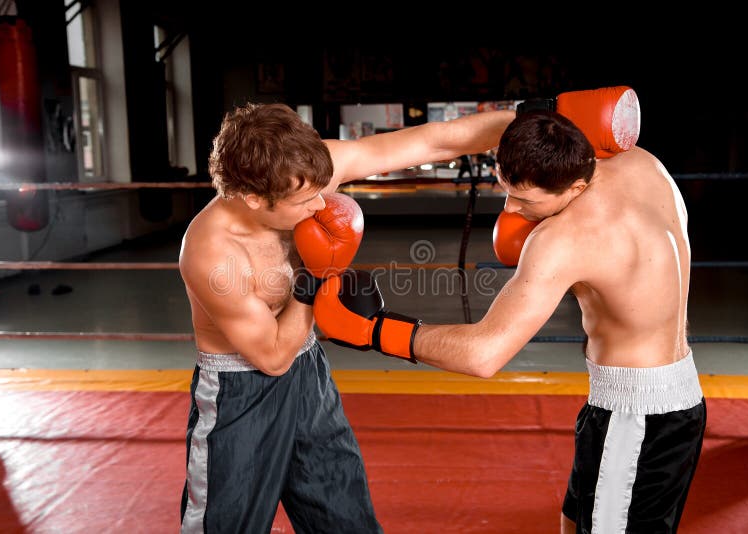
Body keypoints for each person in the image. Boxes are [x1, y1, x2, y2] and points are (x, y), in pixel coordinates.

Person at [313, 87, 706, 533]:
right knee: (573, 522)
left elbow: (484, 354)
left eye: (527, 202)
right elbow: (442, 139)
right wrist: (336, 162)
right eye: (506, 191)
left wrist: (372, 331)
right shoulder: (637, 161)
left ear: (575, 187)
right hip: (658, 397)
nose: (511, 209)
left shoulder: (566, 238)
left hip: (637, 421)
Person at [177, 101, 515, 532]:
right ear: (255, 199)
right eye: (305, 200)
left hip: (309, 376)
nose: (322, 203)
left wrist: (530, 117)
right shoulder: (212, 251)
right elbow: (274, 356)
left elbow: (435, 141)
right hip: (238, 393)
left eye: (321, 188)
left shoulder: (304, 171)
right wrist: (316, 275)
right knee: (225, 526)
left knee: (345, 517)